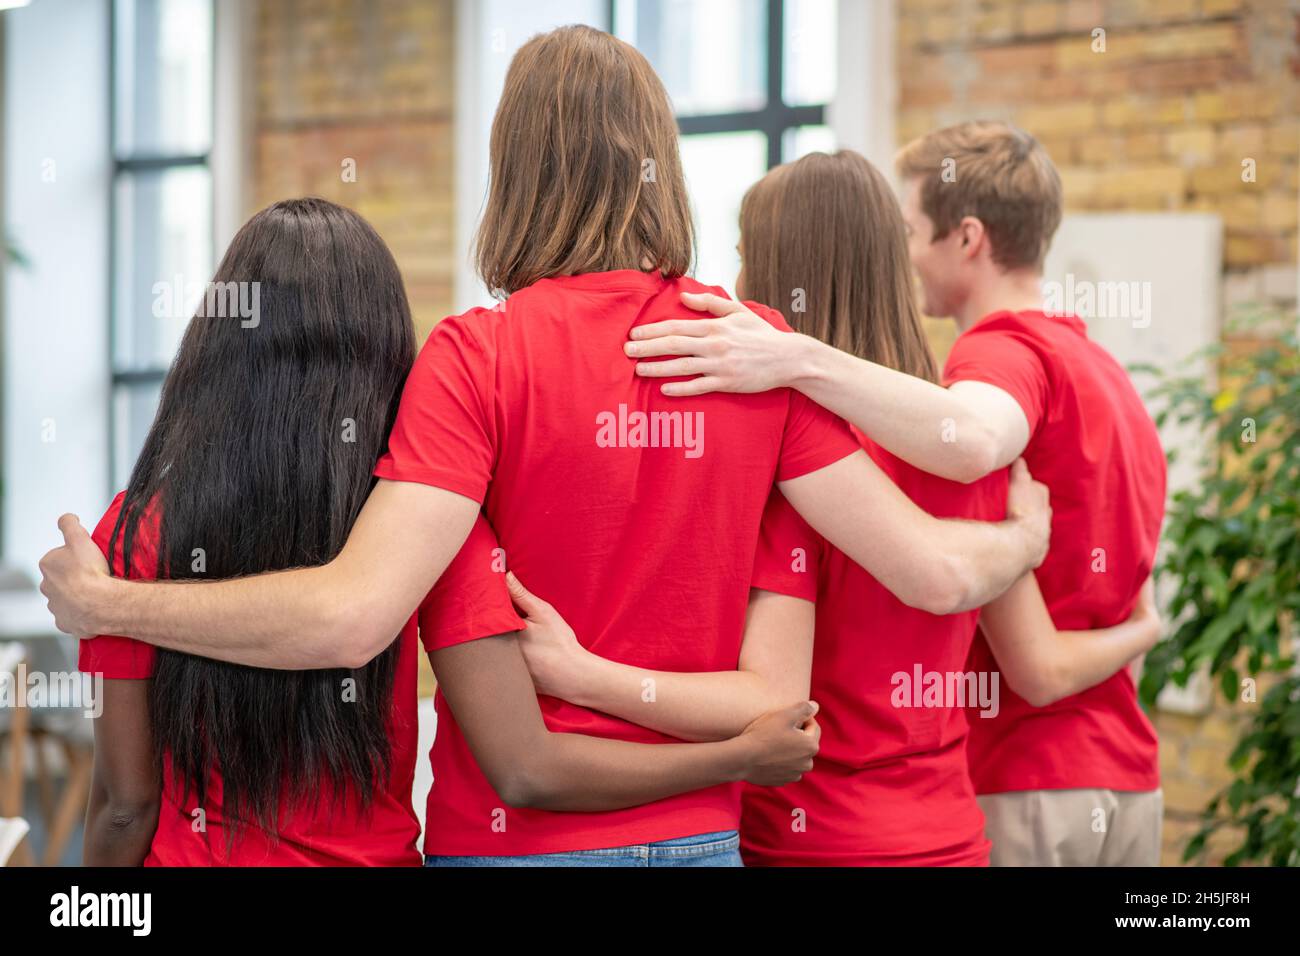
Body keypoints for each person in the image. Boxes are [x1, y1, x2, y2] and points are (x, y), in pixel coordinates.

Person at [44, 30, 1048, 866]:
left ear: (514, 170)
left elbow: (355, 612)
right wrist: (1020, 541)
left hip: (516, 840)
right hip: (702, 837)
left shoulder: (475, 355)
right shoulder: (749, 356)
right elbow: (911, 581)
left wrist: (112, 604)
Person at [510, 150, 1161, 866]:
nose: (734, 283)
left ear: (776, 276)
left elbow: (766, 694)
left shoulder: (791, 464)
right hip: (946, 835)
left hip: (805, 837)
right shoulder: (979, 468)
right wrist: (1033, 546)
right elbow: (1019, 645)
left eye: (745, 257)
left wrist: (582, 674)